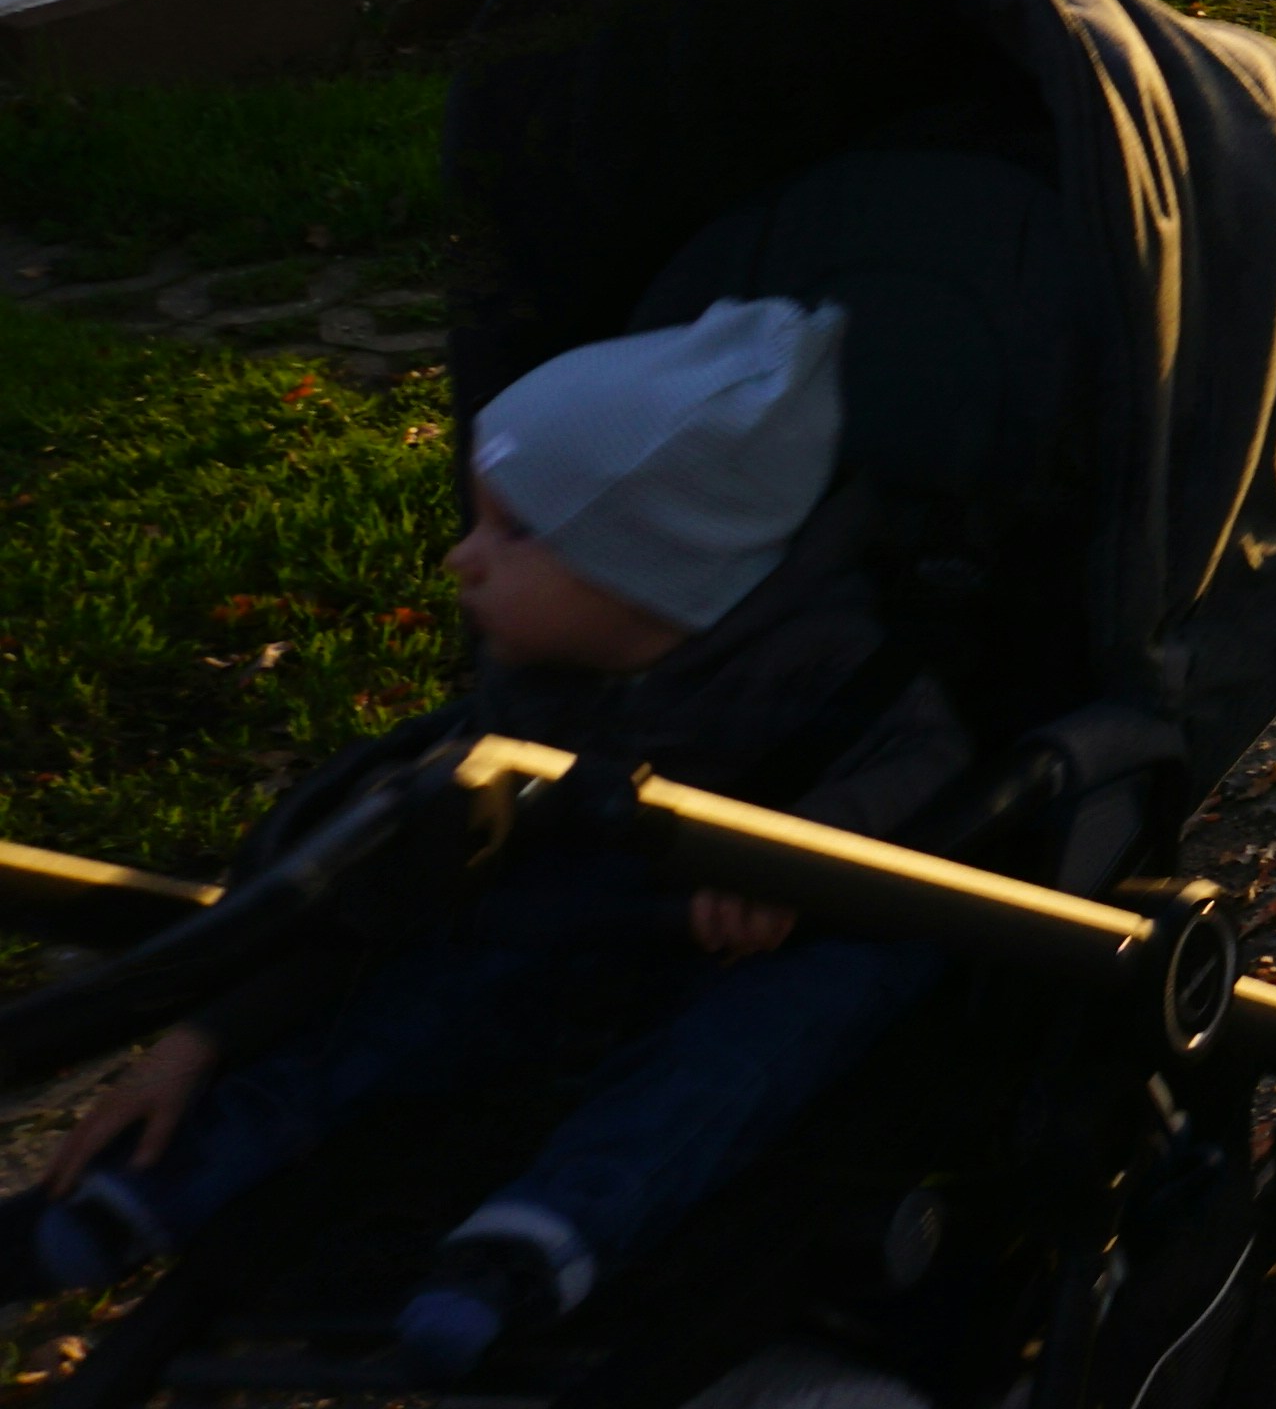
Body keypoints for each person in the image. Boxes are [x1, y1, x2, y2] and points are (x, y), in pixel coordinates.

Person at [11, 298, 970, 1384]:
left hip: (744, 960)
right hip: (559, 941)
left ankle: (537, 1239)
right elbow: (367, 899)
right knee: (395, 991)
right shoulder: (535, 692)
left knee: (756, 1044)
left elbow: (924, 773)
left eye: (513, 532)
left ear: (652, 565)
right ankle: (144, 1187)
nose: (463, 559)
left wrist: (798, 863)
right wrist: (203, 1032)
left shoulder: (835, 670)